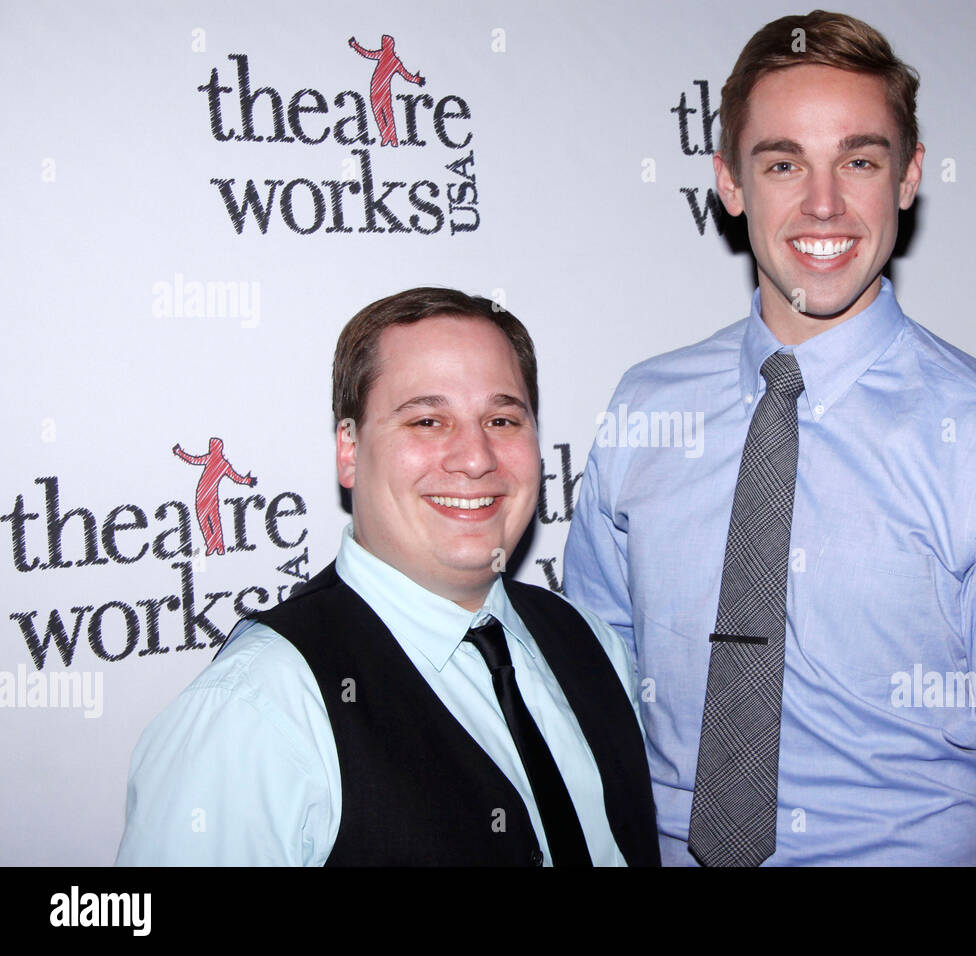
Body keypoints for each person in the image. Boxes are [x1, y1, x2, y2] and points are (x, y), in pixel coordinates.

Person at [564, 11, 976, 866]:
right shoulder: (645, 407)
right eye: (783, 163)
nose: (823, 203)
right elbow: (589, 680)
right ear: (730, 184)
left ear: (909, 177)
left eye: (859, 160)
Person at [118, 288, 659, 866]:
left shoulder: (590, 640)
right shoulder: (256, 712)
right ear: (349, 449)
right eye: (428, 420)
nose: (475, 457)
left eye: (501, 419)